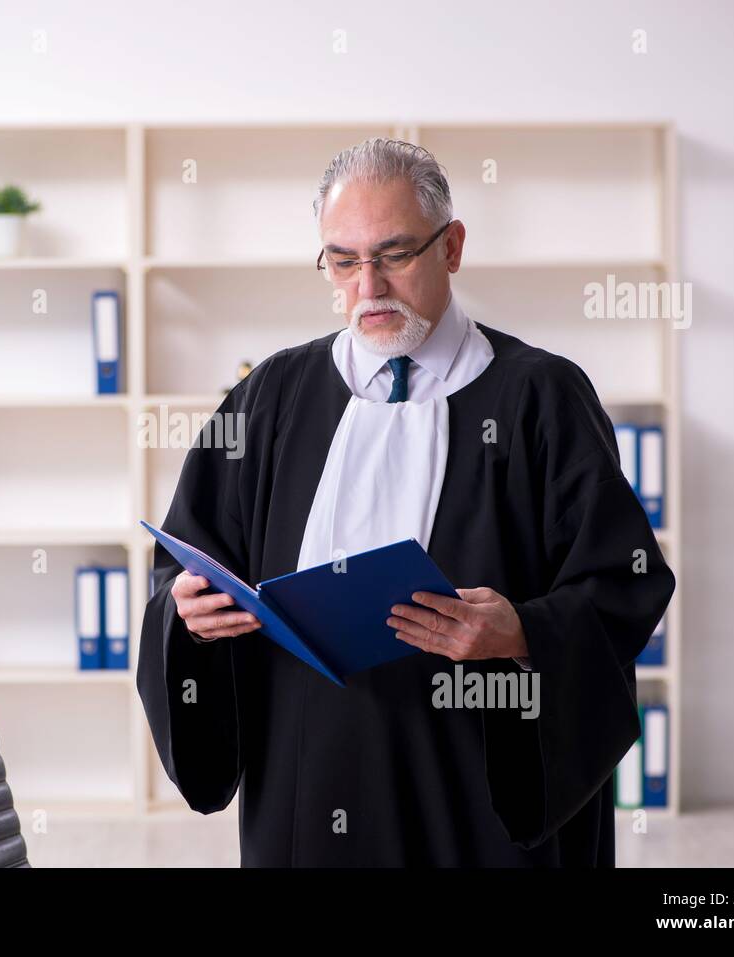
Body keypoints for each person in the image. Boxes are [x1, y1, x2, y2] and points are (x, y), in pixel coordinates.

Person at [136, 137, 675, 866]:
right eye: (343, 260)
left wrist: (522, 630)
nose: (368, 286)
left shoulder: (540, 399)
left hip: (480, 800)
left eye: (394, 254)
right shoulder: (269, 398)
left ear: (451, 247)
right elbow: (182, 570)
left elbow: (626, 581)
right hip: (308, 786)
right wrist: (188, 617)